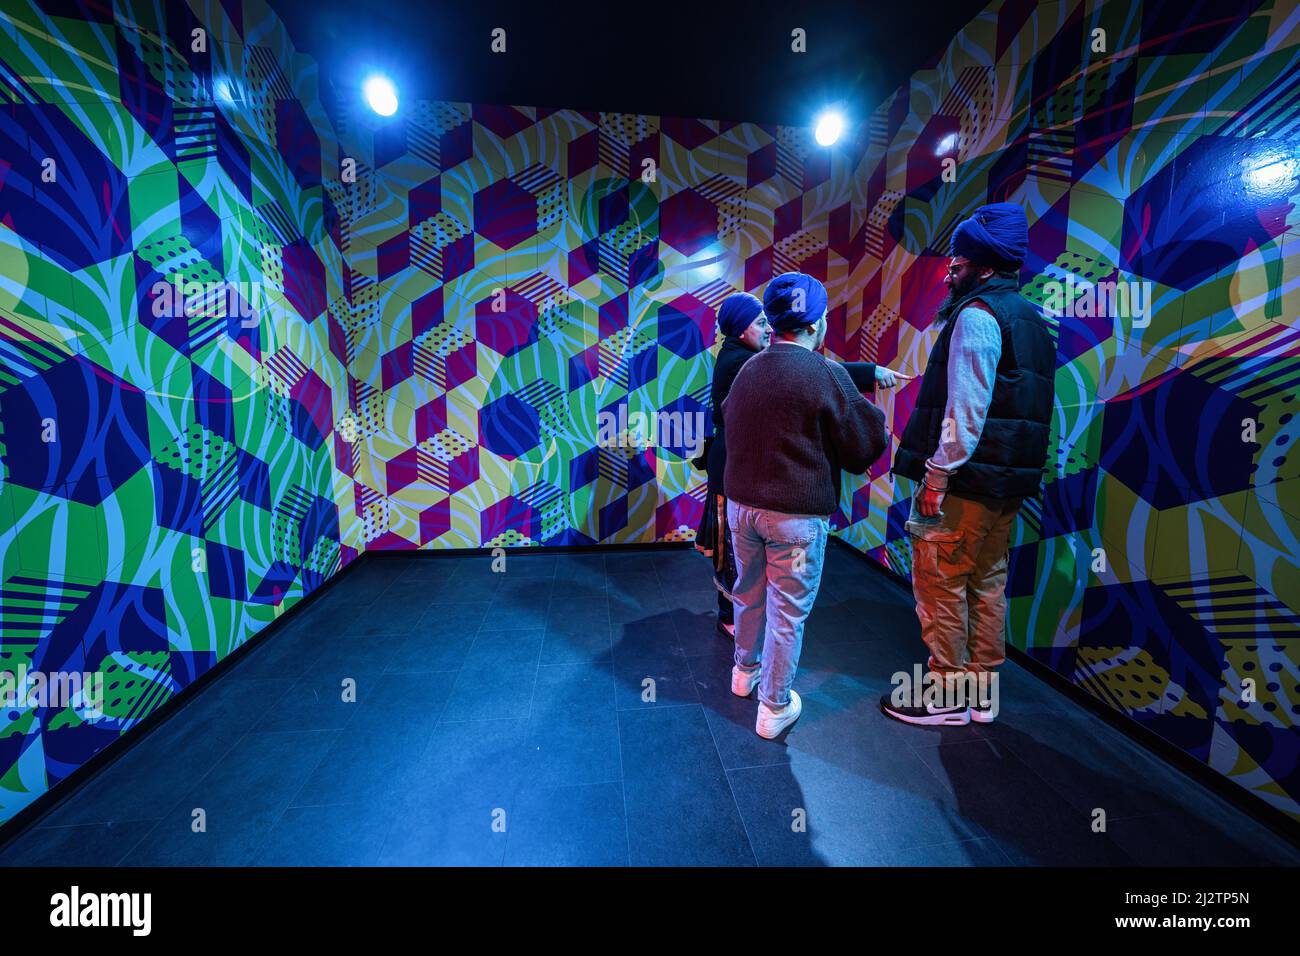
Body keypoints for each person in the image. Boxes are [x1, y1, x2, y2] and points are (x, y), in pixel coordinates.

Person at [881, 202, 1055, 726]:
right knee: (987, 582)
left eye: (956, 264)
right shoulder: (1030, 320)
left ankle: (946, 695)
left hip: (964, 484)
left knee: (940, 581)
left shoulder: (976, 316)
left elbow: (966, 409)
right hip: (1003, 486)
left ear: (983, 266)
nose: (948, 272)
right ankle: (981, 695)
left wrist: (937, 475)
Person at [723, 272, 889, 738]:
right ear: (817, 323)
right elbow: (863, 446)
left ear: (774, 320)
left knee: (748, 591)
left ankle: (743, 674)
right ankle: (773, 706)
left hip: (743, 511)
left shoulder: (748, 369)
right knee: (787, 610)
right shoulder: (825, 373)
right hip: (795, 519)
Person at [694, 292, 770, 639]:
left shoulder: (741, 355)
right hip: (729, 470)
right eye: (761, 323)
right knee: (728, 545)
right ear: (741, 329)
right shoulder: (742, 361)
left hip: (733, 466)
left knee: (734, 543)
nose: (768, 329)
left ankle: (735, 609)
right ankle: (729, 612)